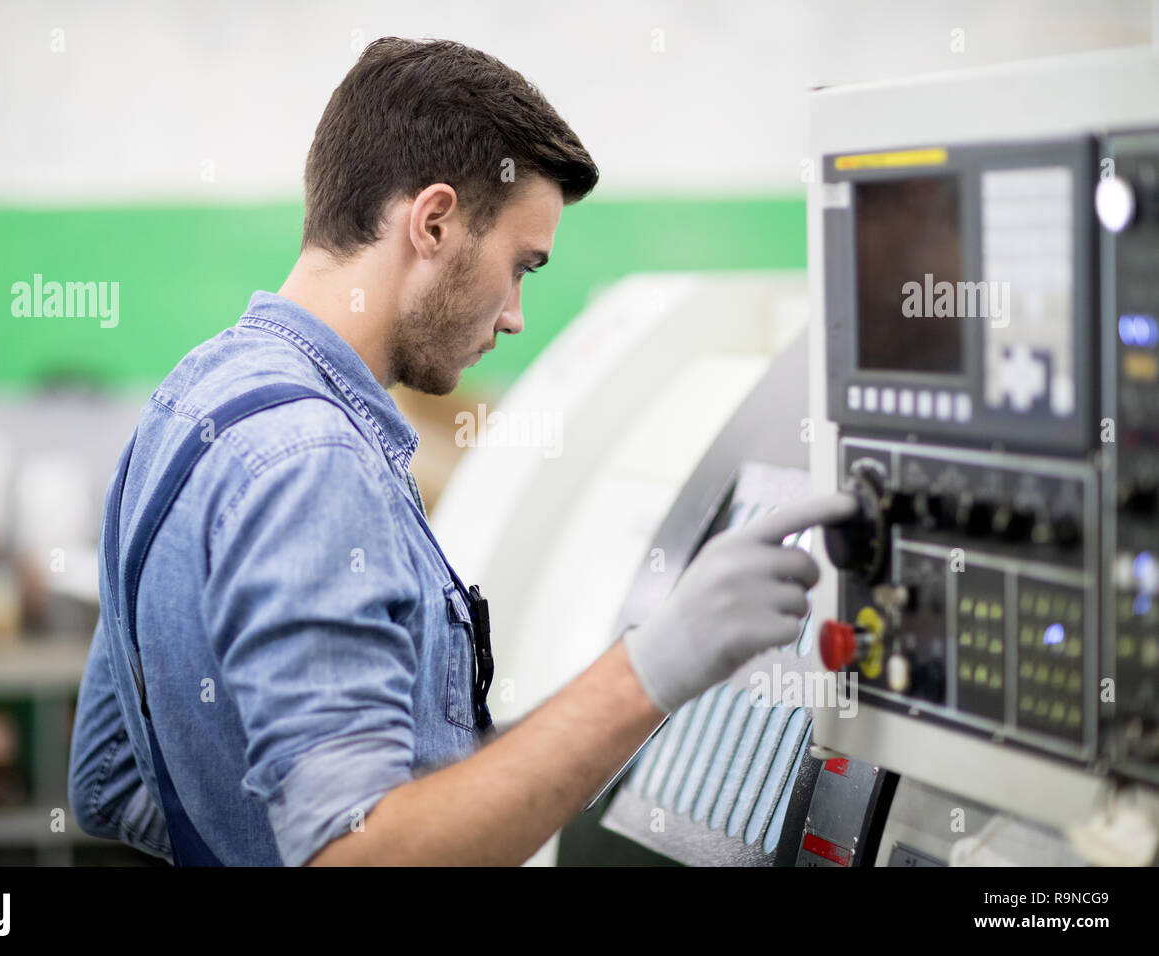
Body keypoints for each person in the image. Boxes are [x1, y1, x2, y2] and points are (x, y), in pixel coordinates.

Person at [67, 36, 856, 866]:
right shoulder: (315, 465)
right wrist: (654, 667)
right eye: (522, 266)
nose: (515, 314)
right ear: (434, 222)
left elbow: (110, 780)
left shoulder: (193, 396)